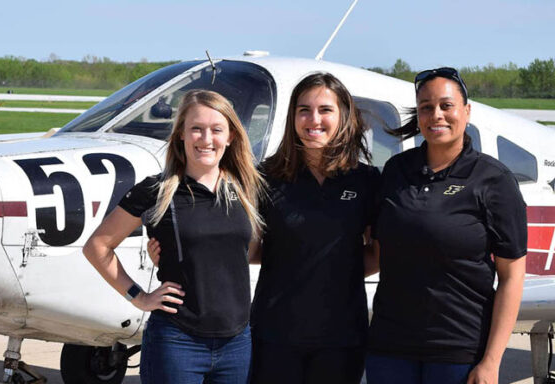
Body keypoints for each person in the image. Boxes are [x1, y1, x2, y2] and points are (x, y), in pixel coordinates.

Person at [149, 72, 380, 383]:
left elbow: (376, 254)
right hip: (274, 335)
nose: (314, 119)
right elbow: (245, 247)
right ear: (292, 117)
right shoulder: (264, 177)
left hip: (341, 338)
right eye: (303, 110)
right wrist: (178, 256)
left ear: (344, 115)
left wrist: (330, 266)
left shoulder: (366, 181)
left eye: (325, 110)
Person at [83, 89, 264, 384]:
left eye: (216, 130)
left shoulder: (246, 188)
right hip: (177, 342)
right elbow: (98, 246)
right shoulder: (157, 191)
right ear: (181, 134)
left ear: (230, 136)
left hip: (237, 343)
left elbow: (247, 251)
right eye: (196, 129)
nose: (206, 139)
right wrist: (138, 297)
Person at [366, 67, 527, 384]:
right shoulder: (396, 170)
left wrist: (491, 362)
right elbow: (378, 251)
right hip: (389, 347)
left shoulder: (494, 180)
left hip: (459, 350)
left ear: (467, 111)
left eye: (446, 105)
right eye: (426, 107)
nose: (436, 115)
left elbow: (512, 277)